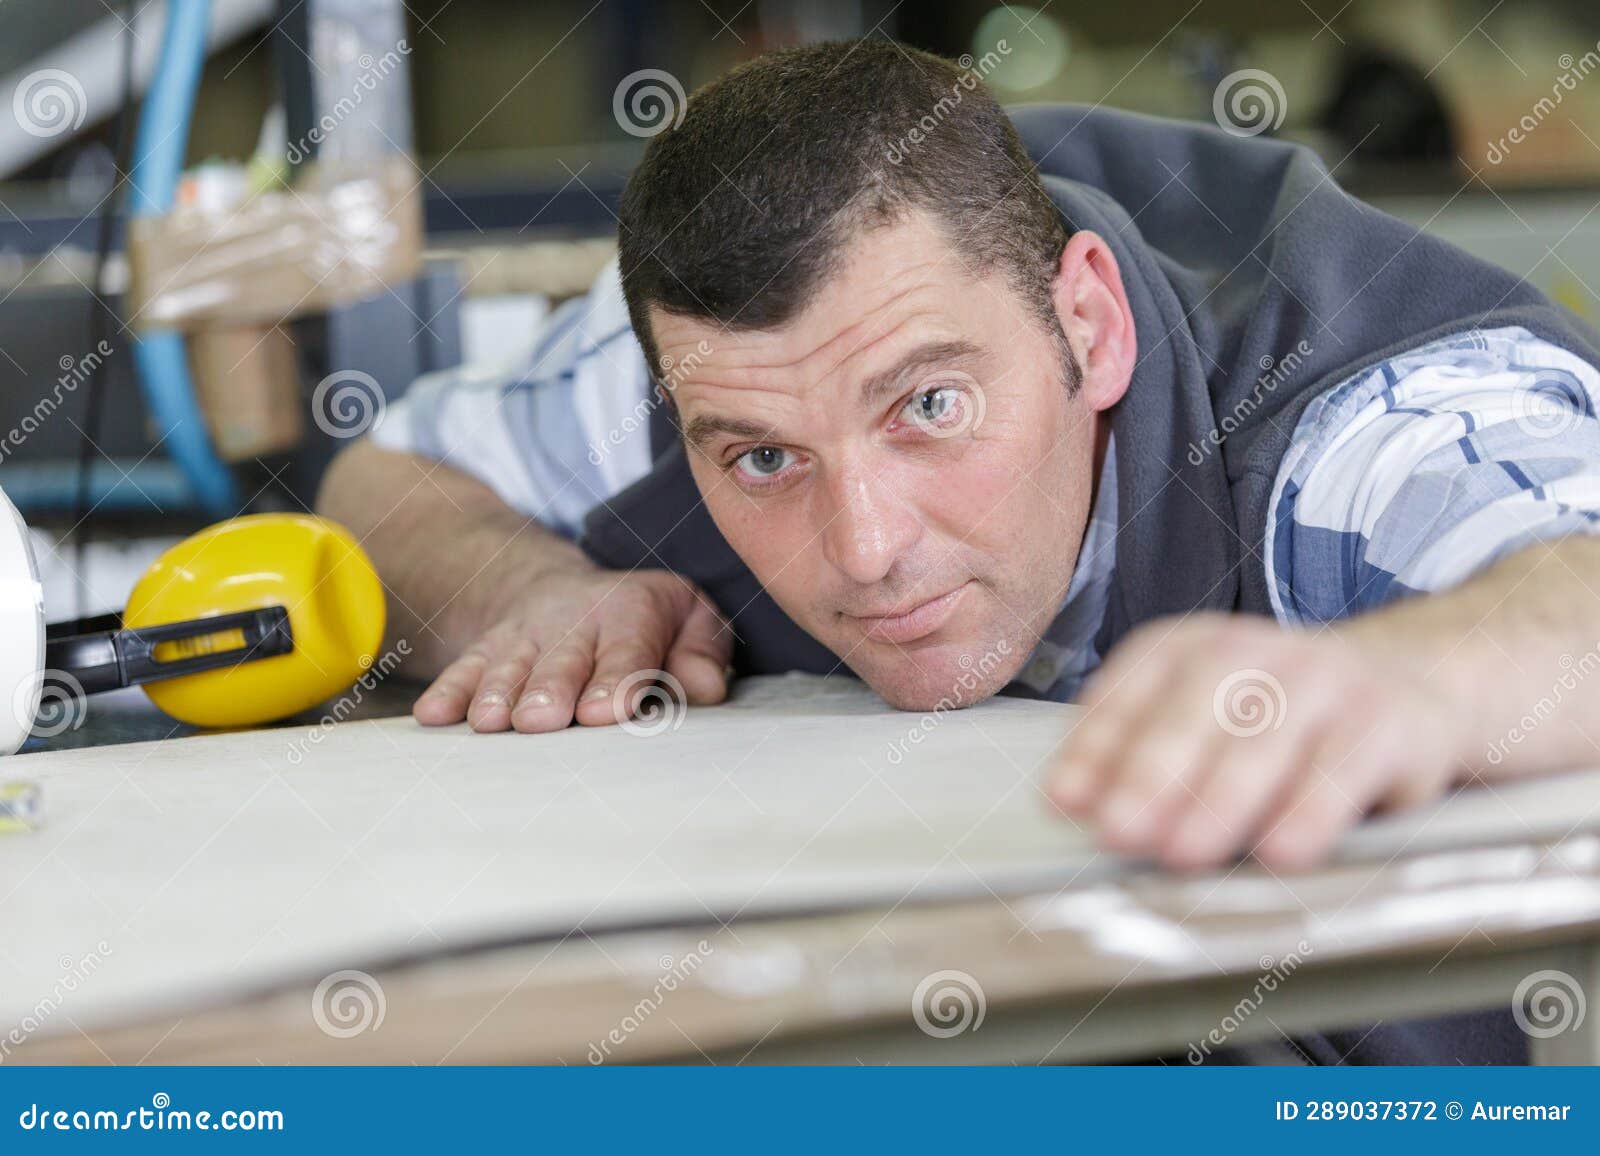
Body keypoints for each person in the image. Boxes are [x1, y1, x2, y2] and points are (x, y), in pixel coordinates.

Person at [318, 40, 1600, 1061]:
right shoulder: (731, 337)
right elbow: (382, 477)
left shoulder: (1360, 422)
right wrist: (535, 588)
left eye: (928, 406)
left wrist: (1396, 681)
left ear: (1088, 327)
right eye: (763, 460)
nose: (865, 550)